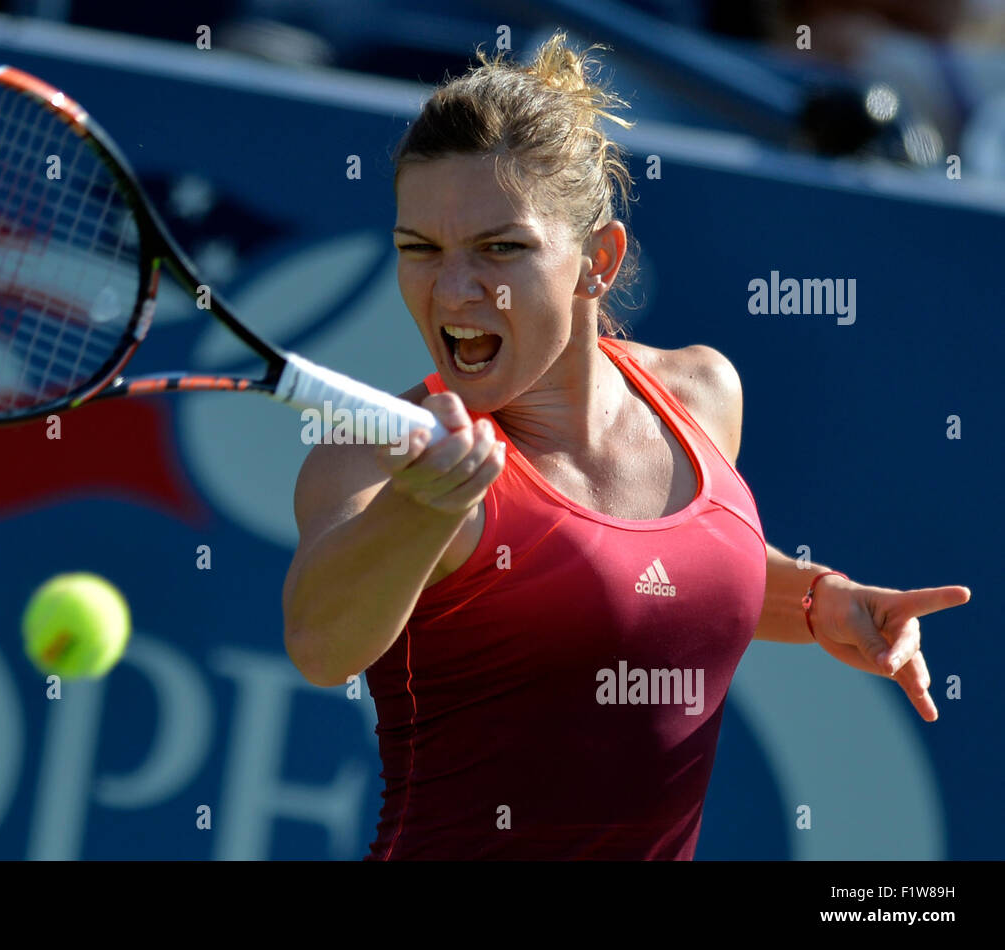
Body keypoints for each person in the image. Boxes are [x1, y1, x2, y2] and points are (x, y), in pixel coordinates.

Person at [281, 31, 970, 860]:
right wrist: (421, 508)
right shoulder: (377, 460)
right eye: (418, 250)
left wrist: (821, 600)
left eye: (502, 248)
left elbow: (658, 570)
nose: (454, 288)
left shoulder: (702, 394)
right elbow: (321, 645)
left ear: (597, 261)